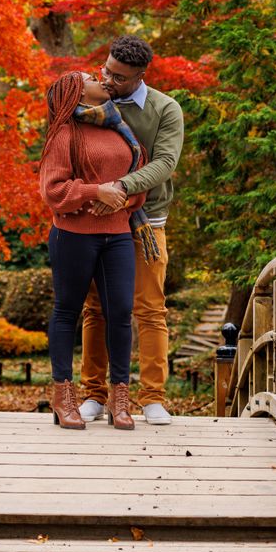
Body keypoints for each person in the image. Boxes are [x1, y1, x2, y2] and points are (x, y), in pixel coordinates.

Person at [79, 35, 184, 426]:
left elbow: (165, 164)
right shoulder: (89, 100)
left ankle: (153, 397)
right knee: (96, 308)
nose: (108, 79)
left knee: (150, 310)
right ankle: (93, 394)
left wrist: (121, 189)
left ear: (141, 75)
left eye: (119, 77)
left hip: (145, 222)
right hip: (98, 219)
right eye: (106, 69)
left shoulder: (165, 109)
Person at [38, 71, 147, 430]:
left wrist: (121, 198)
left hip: (117, 234)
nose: (98, 76)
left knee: (120, 311)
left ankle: (120, 396)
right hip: (73, 235)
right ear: (77, 92)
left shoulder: (118, 126)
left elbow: (139, 180)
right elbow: (52, 191)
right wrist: (94, 192)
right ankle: (63, 395)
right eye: (88, 76)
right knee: (67, 311)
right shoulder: (64, 135)